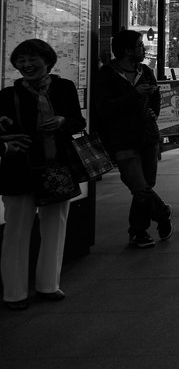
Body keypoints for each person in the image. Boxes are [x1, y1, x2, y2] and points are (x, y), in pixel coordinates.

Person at [0, 39, 86, 310]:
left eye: (32, 59)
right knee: (16, 230)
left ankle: (49, 285)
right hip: (19, 169)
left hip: (55, 168)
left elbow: (78, 121)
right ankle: (14, 293)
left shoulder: (64, 88)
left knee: (55, 226)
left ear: (47, 61)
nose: (26, 65)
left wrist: (62, 121)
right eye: (21, 60)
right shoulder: (7, 94)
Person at [94, 29, 171, 249]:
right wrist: (134, 94)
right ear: (127, 50)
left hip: (148, 135)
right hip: (122, 139)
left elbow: (155, 97)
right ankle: (162, 213)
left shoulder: (145, 71)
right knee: (139, 187)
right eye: (140, 45)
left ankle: (138, 231)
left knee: (147, 184)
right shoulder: (107, 75)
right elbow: (104, 108)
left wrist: (153, 113)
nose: (143, 49)